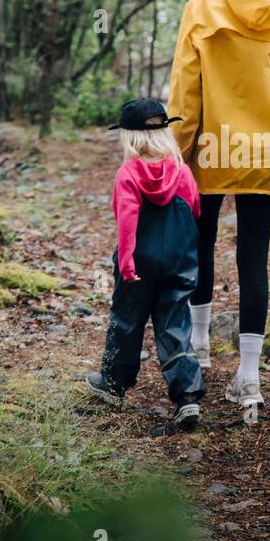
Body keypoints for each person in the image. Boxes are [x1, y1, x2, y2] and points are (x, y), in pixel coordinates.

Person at [166, 0, 270, 413]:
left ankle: (199, 351)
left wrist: (176, 153)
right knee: (254, 258)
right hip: (266, 148)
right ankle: (249, 379)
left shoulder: (200, 8)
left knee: (199, 246)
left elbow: (185, 90)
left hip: (211, 146)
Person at [85, 98, 205, 431]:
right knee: (174, 325)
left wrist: (126, 262)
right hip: (178, 262)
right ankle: (187, 398)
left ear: (130, 138)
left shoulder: (129, 173)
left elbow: (126, 219)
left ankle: (113, 384)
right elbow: (195, 210)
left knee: (126, 321)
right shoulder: (182, 171)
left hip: (137, 263)